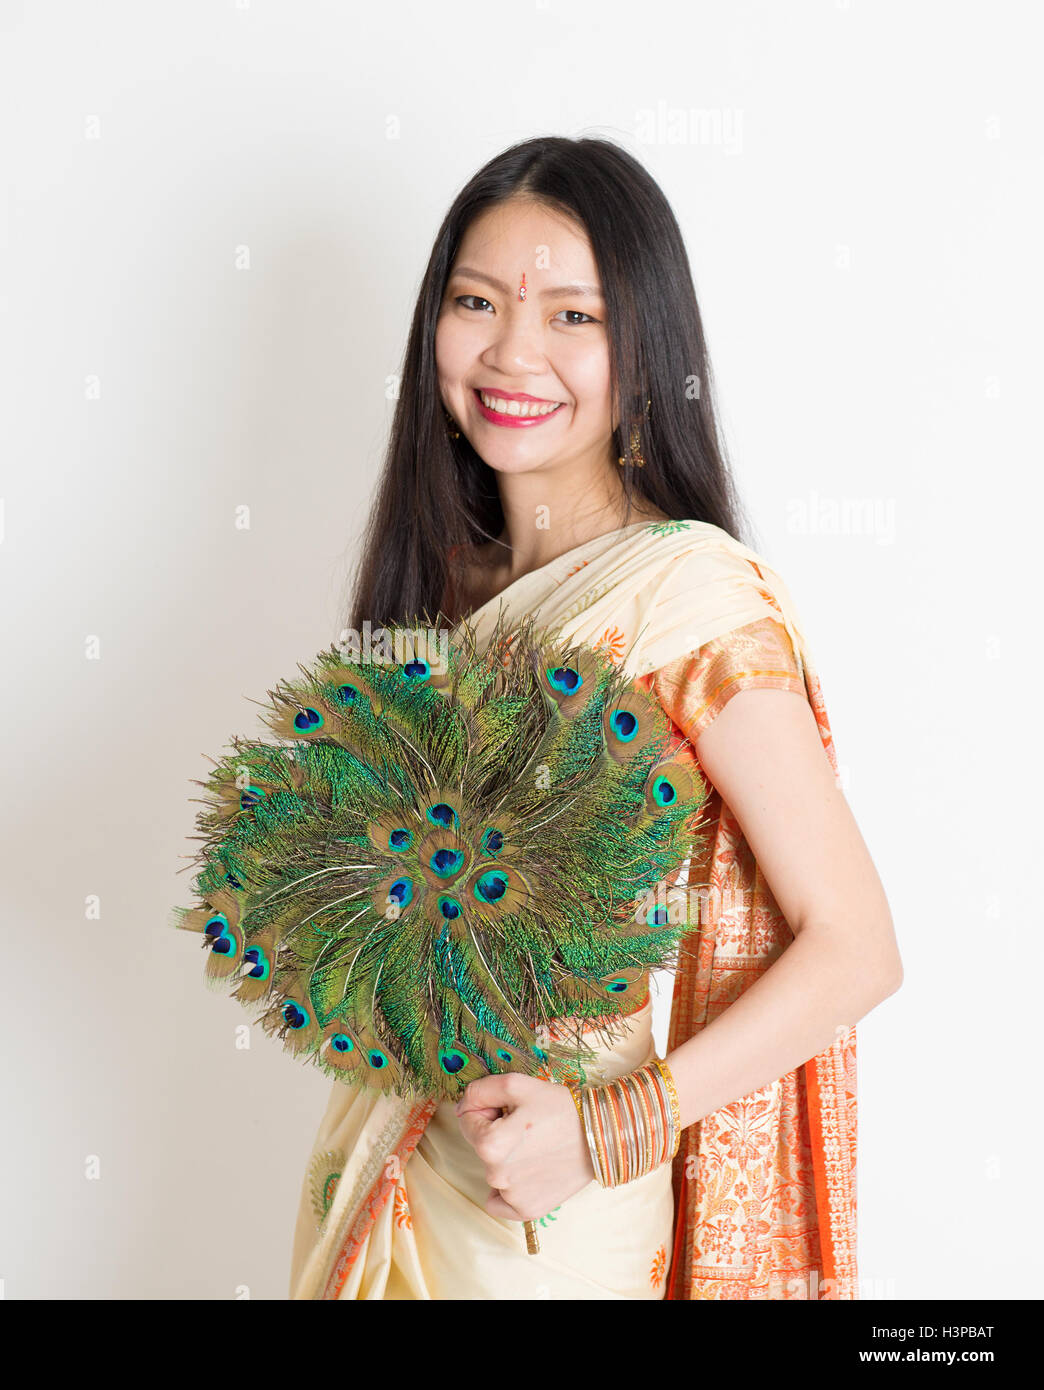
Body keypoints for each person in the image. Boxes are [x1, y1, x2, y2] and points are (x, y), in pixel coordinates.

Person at [288, 135, 901, 1300]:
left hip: (553, 1211)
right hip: (396, 1169)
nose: (514, 350)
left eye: (574, 315)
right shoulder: (437, 601)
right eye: (477, 302)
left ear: (646, 350)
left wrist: (608, 1128)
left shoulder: (685, 594)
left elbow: (856, 943)